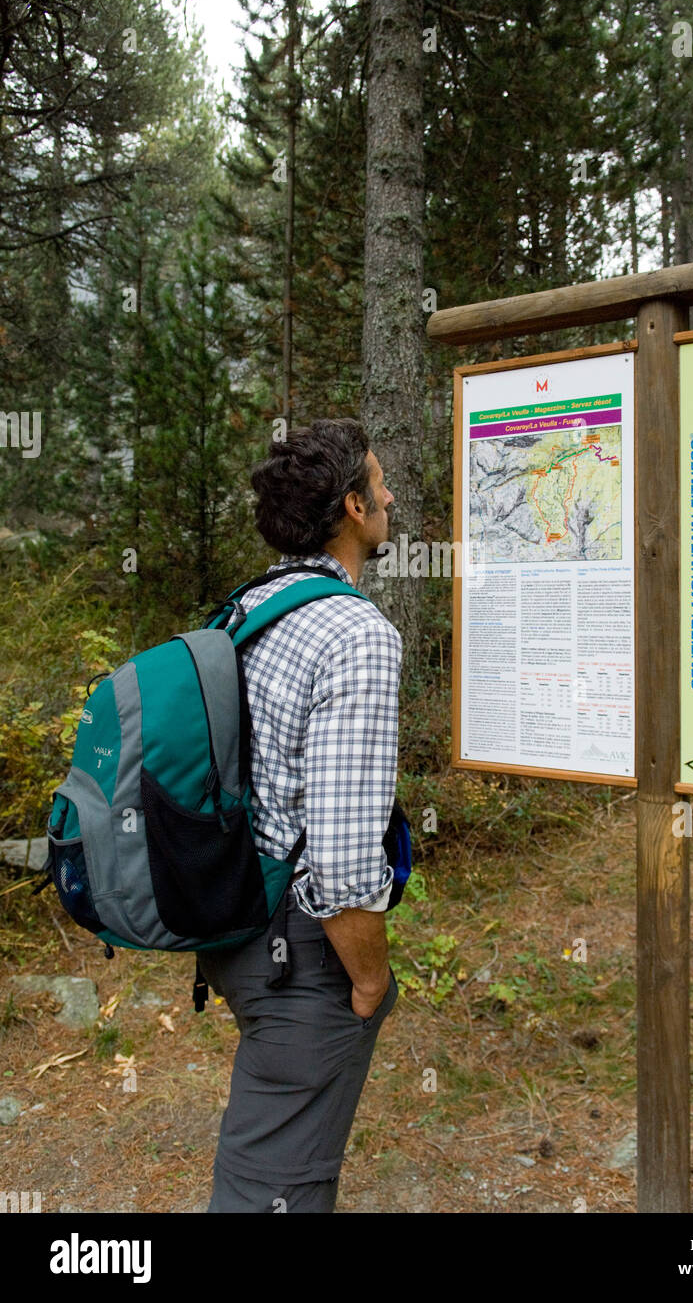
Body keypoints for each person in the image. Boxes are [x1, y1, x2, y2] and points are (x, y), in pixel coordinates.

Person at [198, 416, 402, 1213]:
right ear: (353, 508)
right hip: (296, 951)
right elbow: (348, 860)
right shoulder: (354, 633)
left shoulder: (250, 608)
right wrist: (369, 982)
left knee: (270, 1144)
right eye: (379, 484)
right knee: (274, 1185)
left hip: (232, 916)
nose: (390, 496)